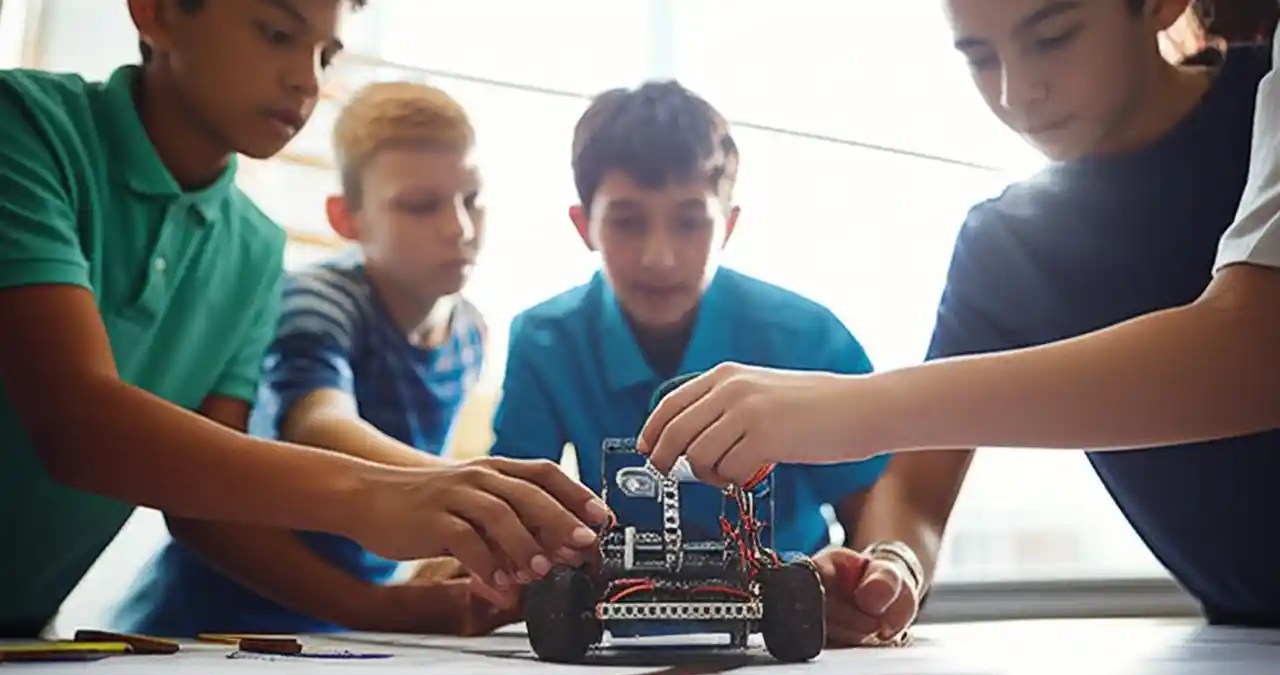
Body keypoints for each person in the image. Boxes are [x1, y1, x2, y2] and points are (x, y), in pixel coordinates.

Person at [638, 0, 1280, 643]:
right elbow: (916, 490)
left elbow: (1254, 348)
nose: (1016, 92)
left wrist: (853, 407)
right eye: (978, 57)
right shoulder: (1008, 243)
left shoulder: (1264, 103)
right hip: (1249, 641)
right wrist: (889, 564)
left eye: (1053, 38)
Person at [0, 0, 603, 639]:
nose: (308, 82)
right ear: (158, 12)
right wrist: (385, 493)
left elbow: (203, 509)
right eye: (278, 34)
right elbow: (74, 422)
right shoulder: (26, 126)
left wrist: (382, 607)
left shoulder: (255, 248)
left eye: (325, 56)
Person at [113, 81, 525, 636]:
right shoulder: (318, 299)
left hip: (340, 629)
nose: (460, 227)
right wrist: (471, 485)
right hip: (210, 623)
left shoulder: (470, 331)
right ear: (345, 219)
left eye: (471, 198)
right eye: (420, 205)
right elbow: (317, 421)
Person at [490, 80, 888, 570]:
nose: (660, 258)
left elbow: (878, 504)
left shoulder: (810, 337)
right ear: (583, 226)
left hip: (788, 615)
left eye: (689, 221)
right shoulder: (543, 341)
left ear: (730, 225)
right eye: (628, 222)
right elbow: (516, 505)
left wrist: (867, 581)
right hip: (619, 609)